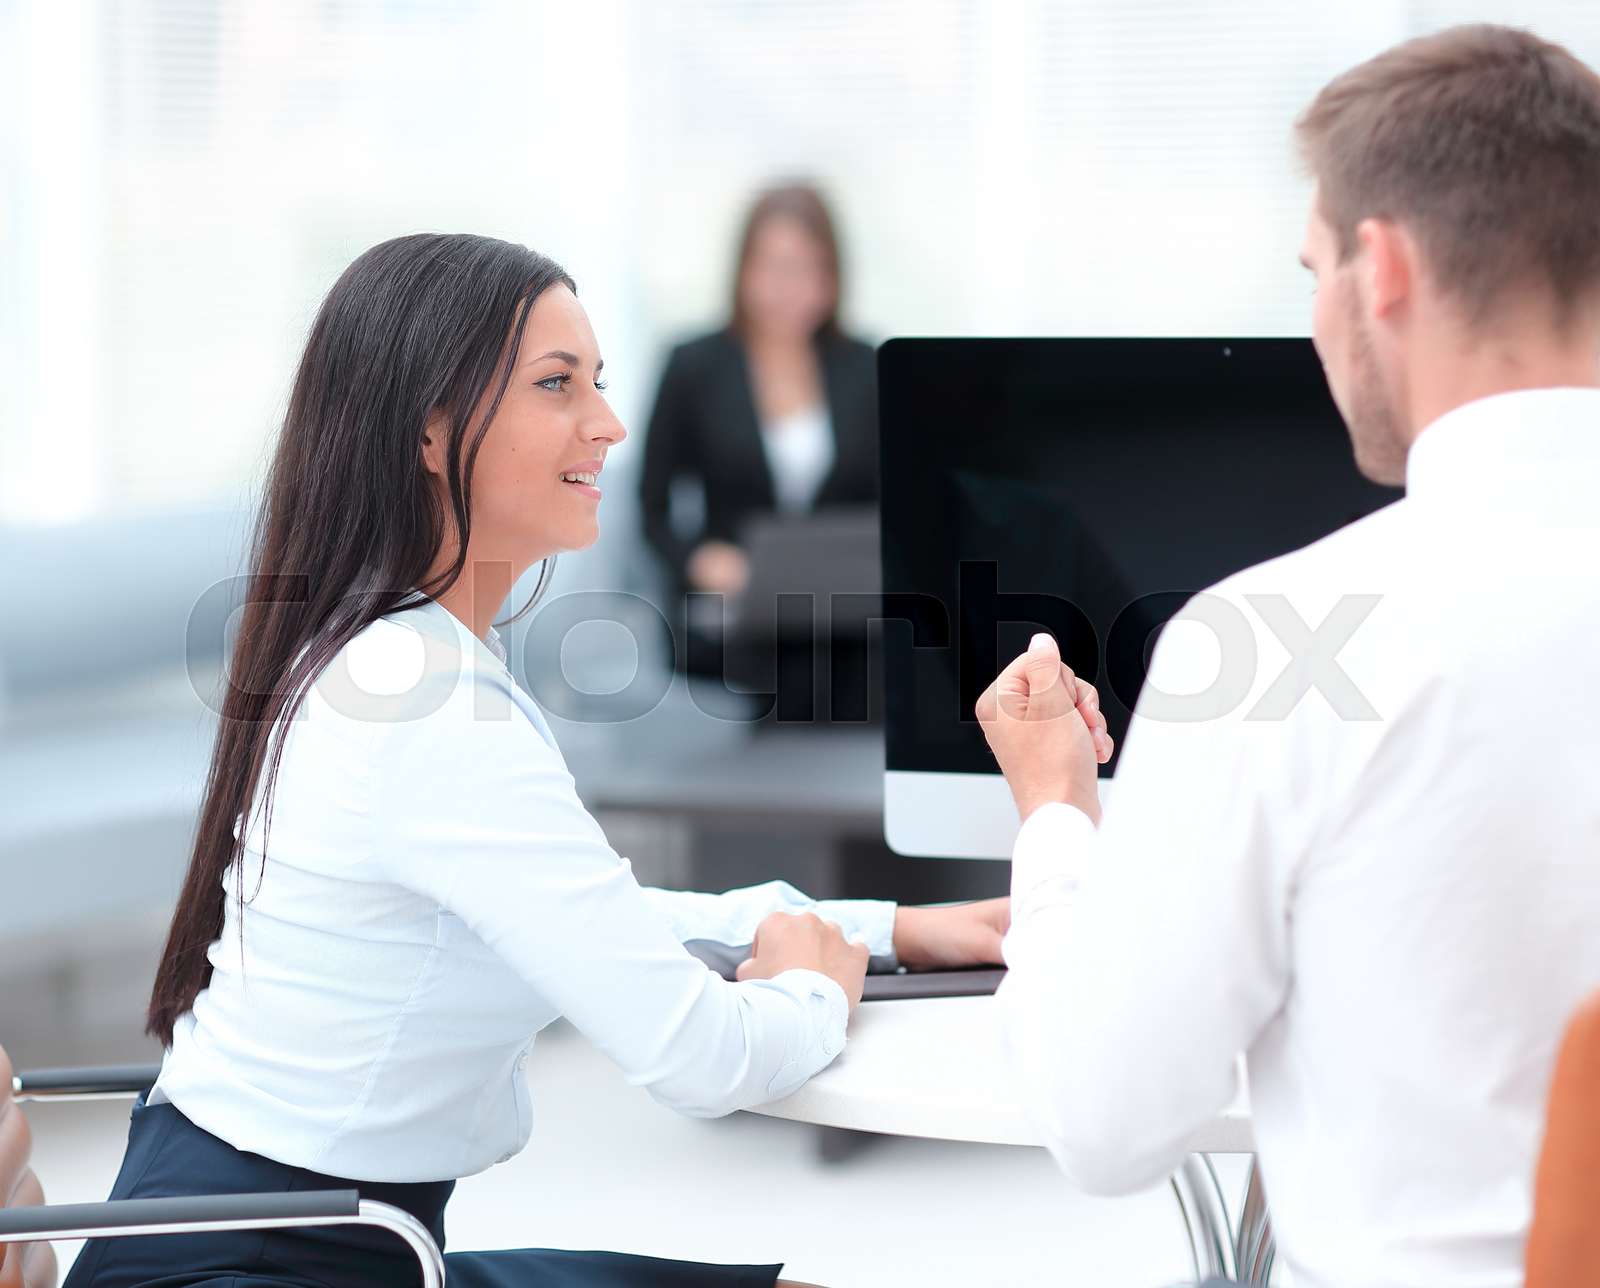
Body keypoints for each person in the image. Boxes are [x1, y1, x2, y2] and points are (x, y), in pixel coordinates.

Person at [66, 233, 1008, 1288]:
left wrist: (878, 929)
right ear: (429, 433)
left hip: (293, 1236)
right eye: (557, 386)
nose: (606, 424)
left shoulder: (394, 650)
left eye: (597, 383)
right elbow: (703, 1055)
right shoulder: (422, 706)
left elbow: (573, 908)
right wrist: (812, 991)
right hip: (265, 1262)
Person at [977, 25, 1600, 1288]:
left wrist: (1054, 816)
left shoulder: (1273, 642)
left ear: (1382, 270)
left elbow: (1105, 1121)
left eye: (1311, 267)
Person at [638, 183, 878, 605]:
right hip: (733, 604)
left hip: (843, 605)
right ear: (744, 271)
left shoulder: (866, 367)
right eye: (776, 267)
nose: (792, 288)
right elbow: (651, 508)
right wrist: (699, 560)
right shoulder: (694, 366)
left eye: (810, 269)